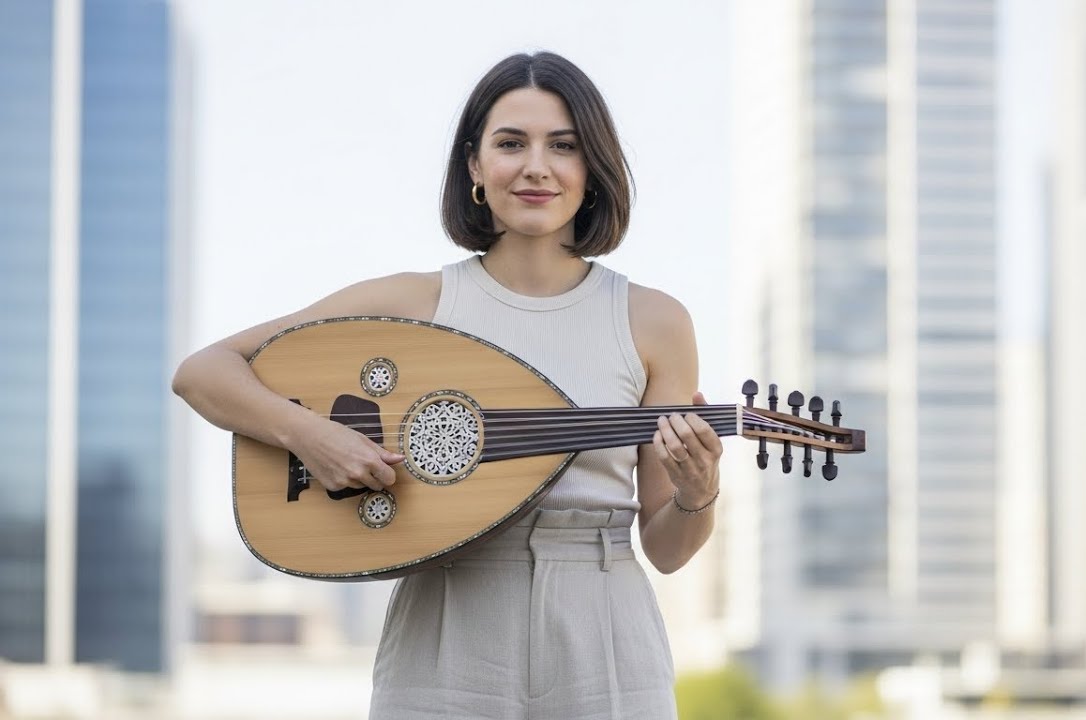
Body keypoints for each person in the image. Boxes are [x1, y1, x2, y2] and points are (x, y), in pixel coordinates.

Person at [172, 51, 723, 719]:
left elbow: (666, 552)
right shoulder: (410, 303)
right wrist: (312, 436)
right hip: (444, 623)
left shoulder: (654, 321)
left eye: (564, 146)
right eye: (511, 143)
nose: (536, 166)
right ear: (474, 167)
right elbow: (202, 372)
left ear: (592, 169)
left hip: (604, 630)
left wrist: (699, 495)